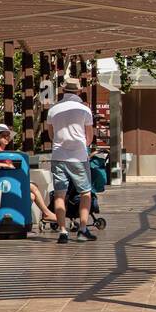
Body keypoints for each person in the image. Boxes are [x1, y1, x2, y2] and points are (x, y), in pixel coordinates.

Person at [47, 78, 97, 243]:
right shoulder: (84, 109)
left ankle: (63, 231)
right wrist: (83, 146)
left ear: (63, 91)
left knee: (60, 194)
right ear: (79, 91)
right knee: (85, 192)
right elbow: (89, 137)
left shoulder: (53, 110)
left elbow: (51, 135)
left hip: (58, 156)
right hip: (78, 157)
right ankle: (82, 229)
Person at [0, 123, 55, 224]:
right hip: (2, 184)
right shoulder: (2, 152)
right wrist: (8, 165)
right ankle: (46, 213)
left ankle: (18, 219)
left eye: (8, 135)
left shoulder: (4, 151)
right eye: (3, 135)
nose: (7, 138)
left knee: (31, 196)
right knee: (33, 188)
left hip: (5, 183)